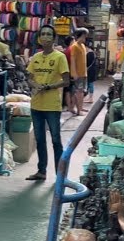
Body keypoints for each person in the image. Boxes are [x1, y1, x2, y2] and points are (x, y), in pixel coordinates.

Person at [26, 26, 70, 182]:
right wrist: (34, 85)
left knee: (56, 140)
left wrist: (50, 87)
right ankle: (41, 171)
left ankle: (60, 174)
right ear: (39, 37)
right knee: (39, 140)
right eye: (43, 34)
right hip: (36, 105)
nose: (45, 37)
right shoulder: (36, 57)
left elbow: (66, 81)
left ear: (53, 38)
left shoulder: (60, 57)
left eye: (48, 34)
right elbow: (29, 78)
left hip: (52, 106)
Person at [68, 28, 89, 115]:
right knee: (78, 92)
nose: (85, 38)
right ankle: (78, 109)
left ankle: (79, 107)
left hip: (83, 72)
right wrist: (74, 73)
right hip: (77, 73)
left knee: (81, 92)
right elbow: (73, 60)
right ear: (79, 36)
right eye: (84, 36)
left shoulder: (83, 46)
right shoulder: (74, 46)